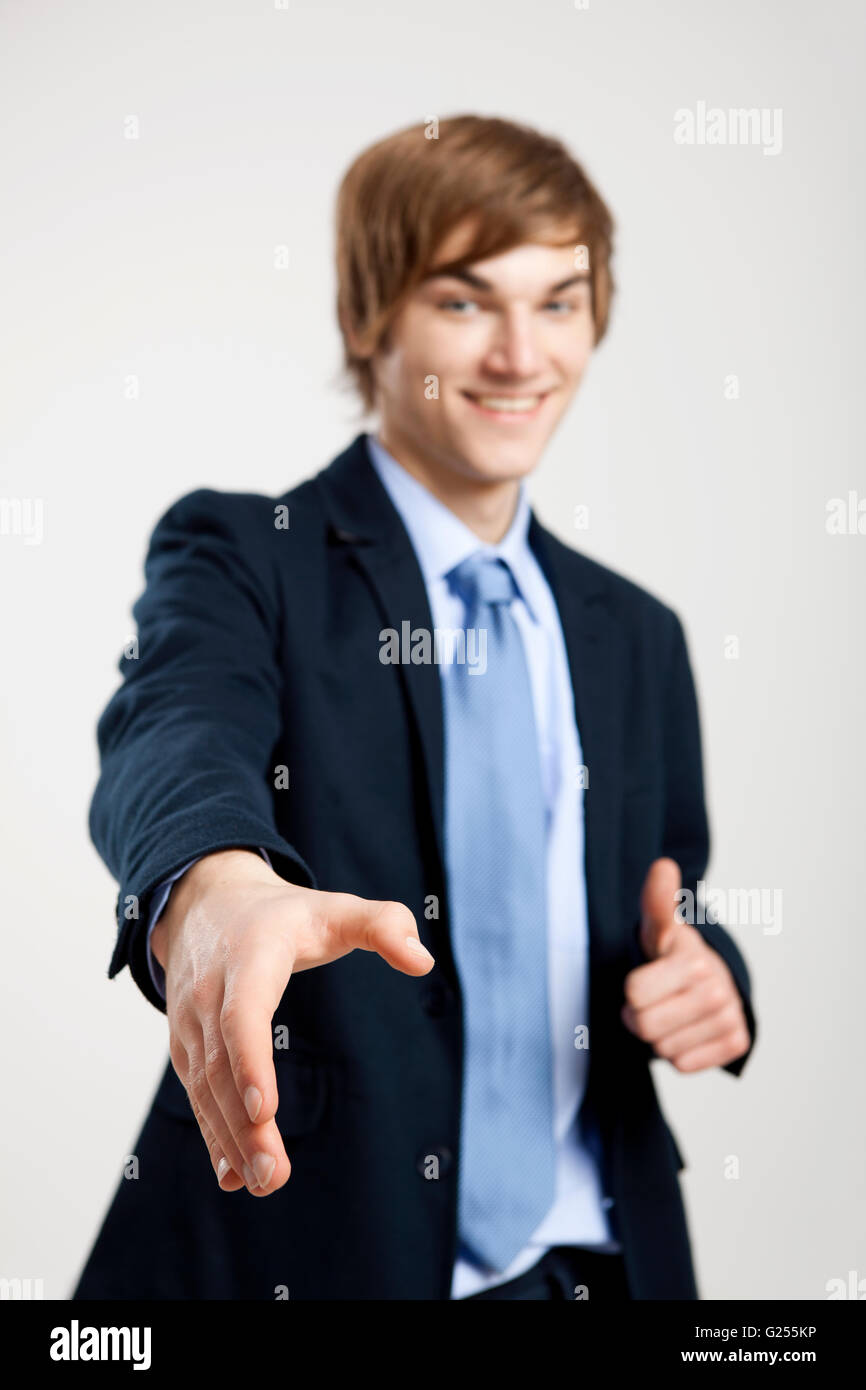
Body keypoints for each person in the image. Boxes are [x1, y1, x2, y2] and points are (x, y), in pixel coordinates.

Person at [73, 114, 756, 1302]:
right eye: (462, 301)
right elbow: (174, 726)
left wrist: (711, 976)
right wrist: (214, 884)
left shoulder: (636, 634)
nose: (518, 355)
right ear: (365, 318)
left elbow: (661, 901)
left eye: (558, 300)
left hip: (600, 1262)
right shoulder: (247, 554)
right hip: (320, 1254)